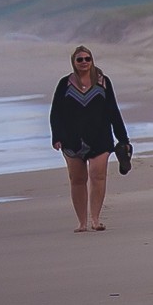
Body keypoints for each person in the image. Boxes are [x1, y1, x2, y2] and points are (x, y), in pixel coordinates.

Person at [49, 45, 129, 232]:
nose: (84, 62)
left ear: (92, 61)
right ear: (74, 62)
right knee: (77, 179)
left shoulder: (103, 82)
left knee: (97, 175)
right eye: (80, 59)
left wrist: (123, 138)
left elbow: (113, 111)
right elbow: (56, 113)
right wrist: (57, 136)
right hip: (71, 139)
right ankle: (82, 222)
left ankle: (95, 219)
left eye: (87, 59)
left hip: (100, 137)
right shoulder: (65, 83)